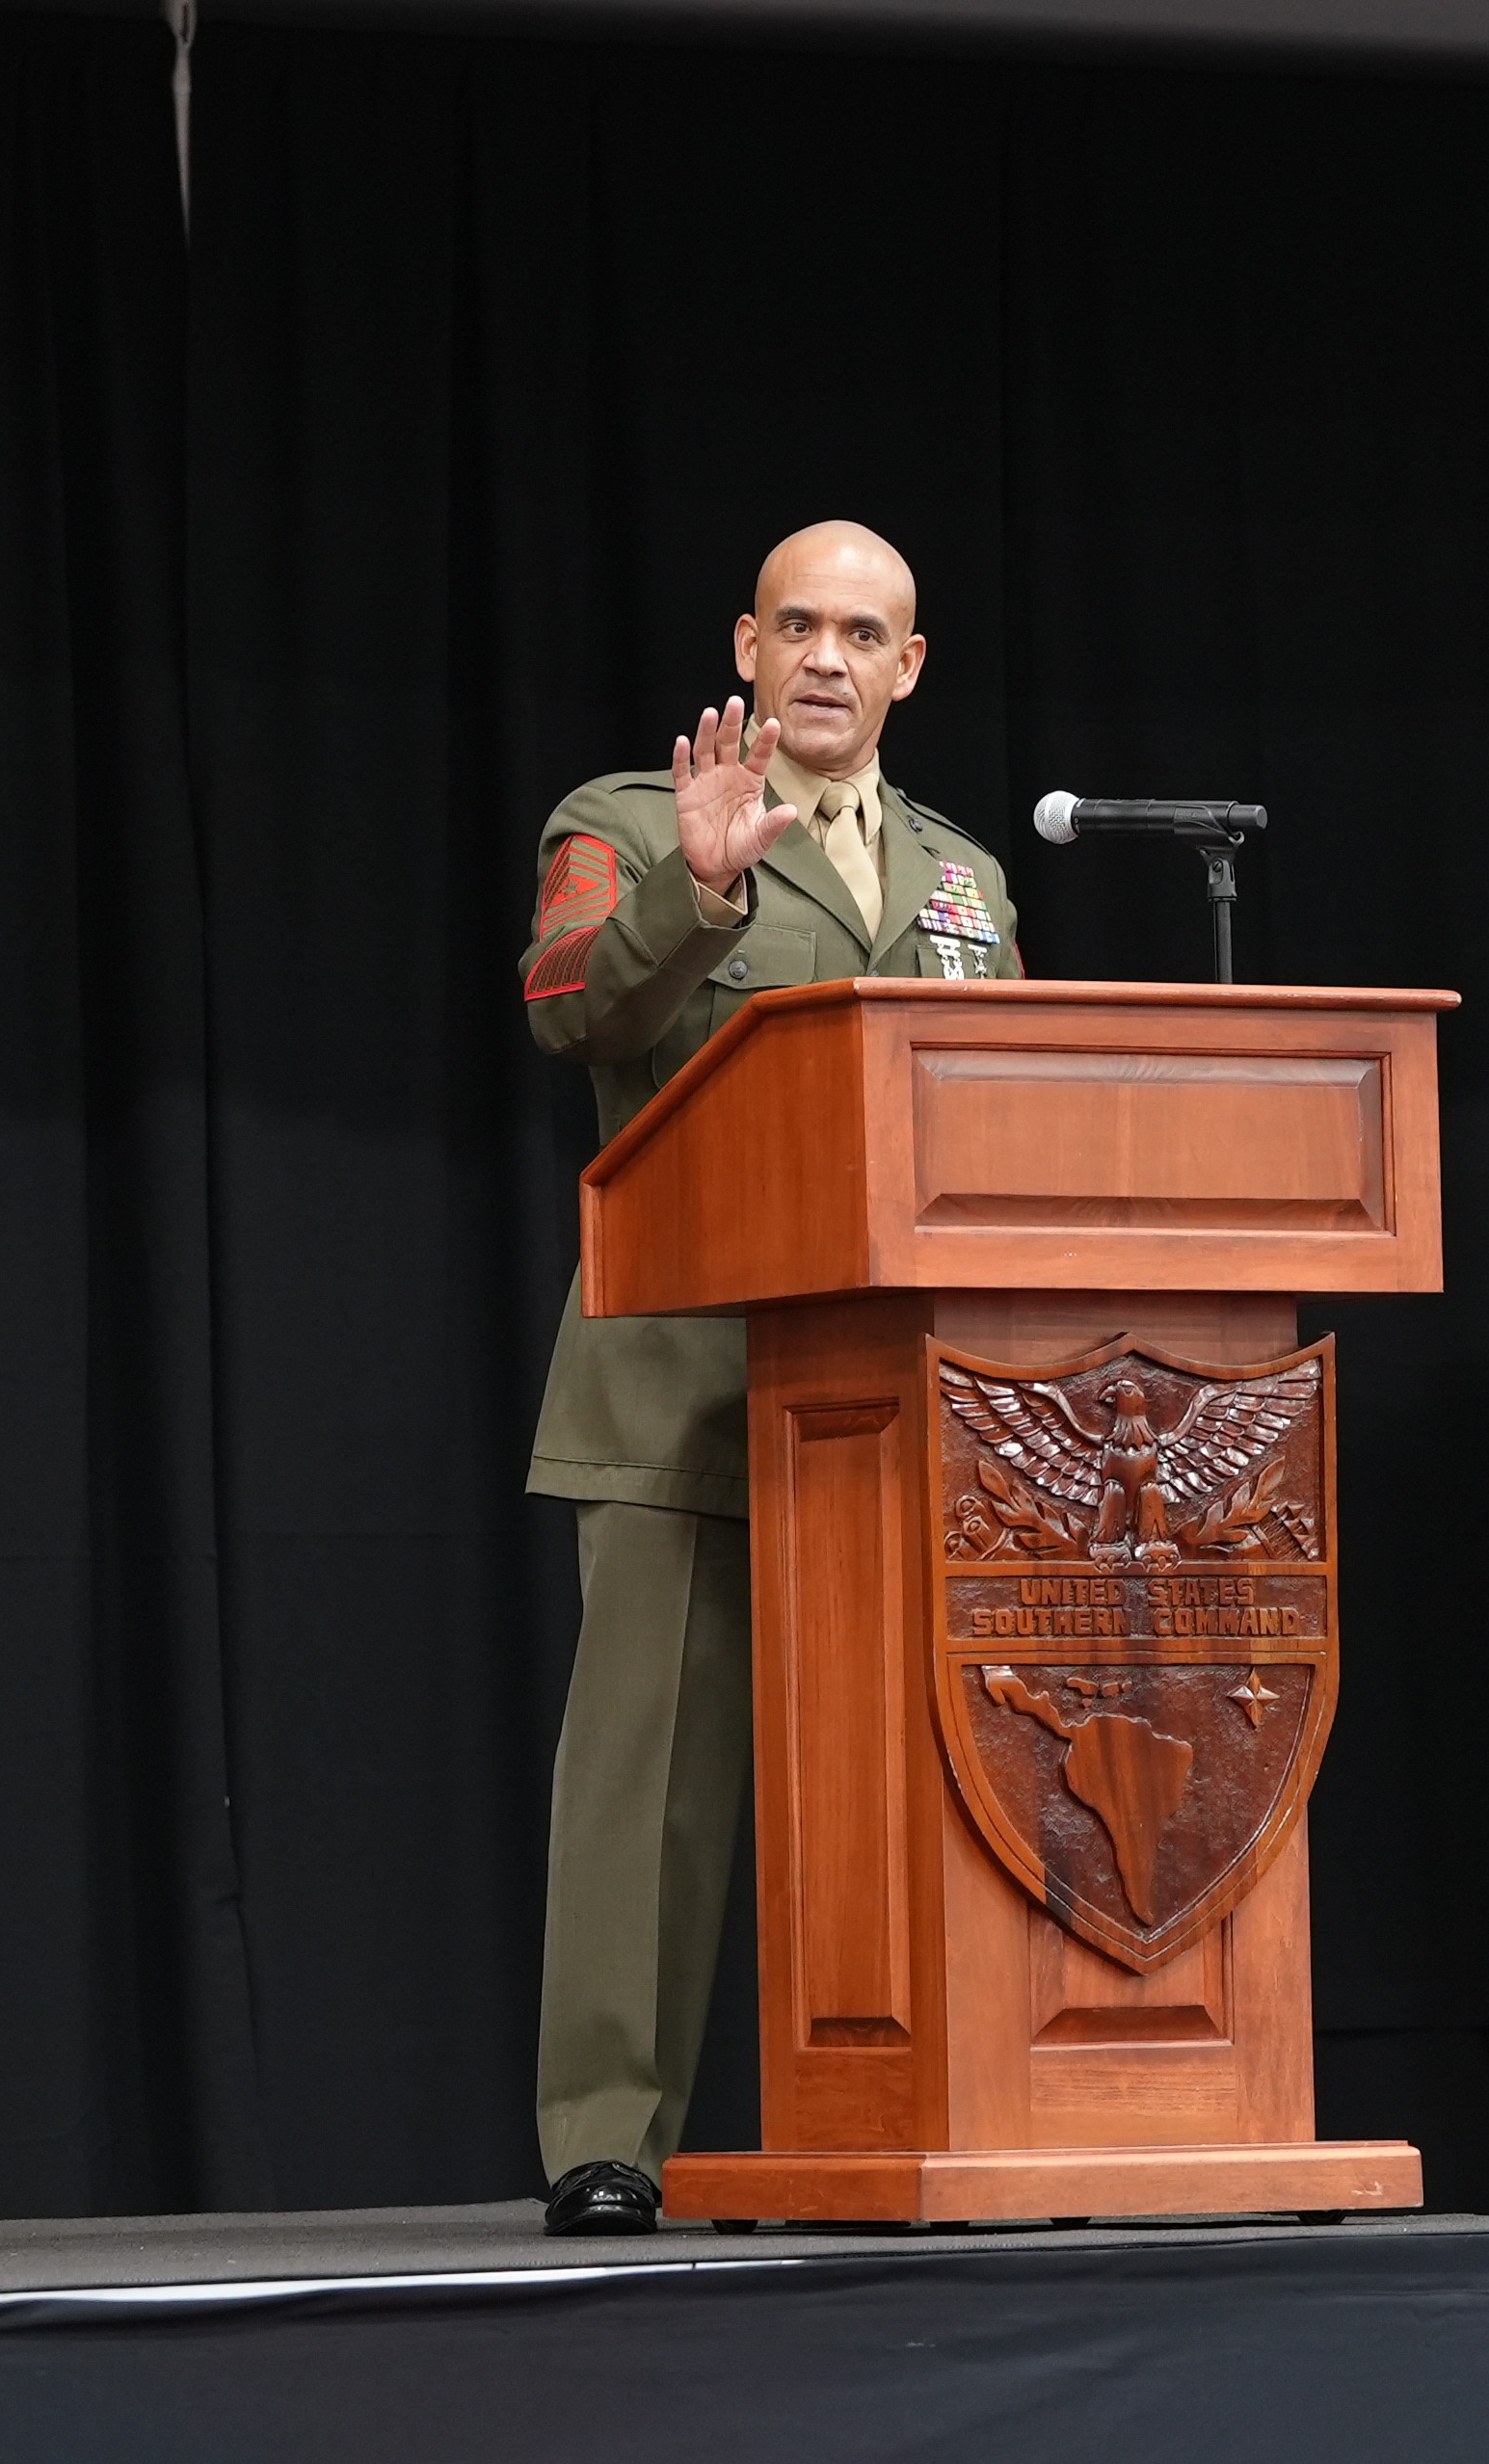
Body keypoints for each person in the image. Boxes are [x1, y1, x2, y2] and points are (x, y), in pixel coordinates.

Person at [518, 522, 1026, 2235]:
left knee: (914, 1782)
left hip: (907, 1406)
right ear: (745, 645)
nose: (825, 656)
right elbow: (567, 1006)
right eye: (796, 624)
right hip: (682, 1387)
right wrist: (703, 888)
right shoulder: (630, 824)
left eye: (860, 632)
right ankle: (609, 2138)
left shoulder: (963, 879)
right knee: (649, 1792)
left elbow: (1005, 1105)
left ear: (909, 665)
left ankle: (915, 2114)